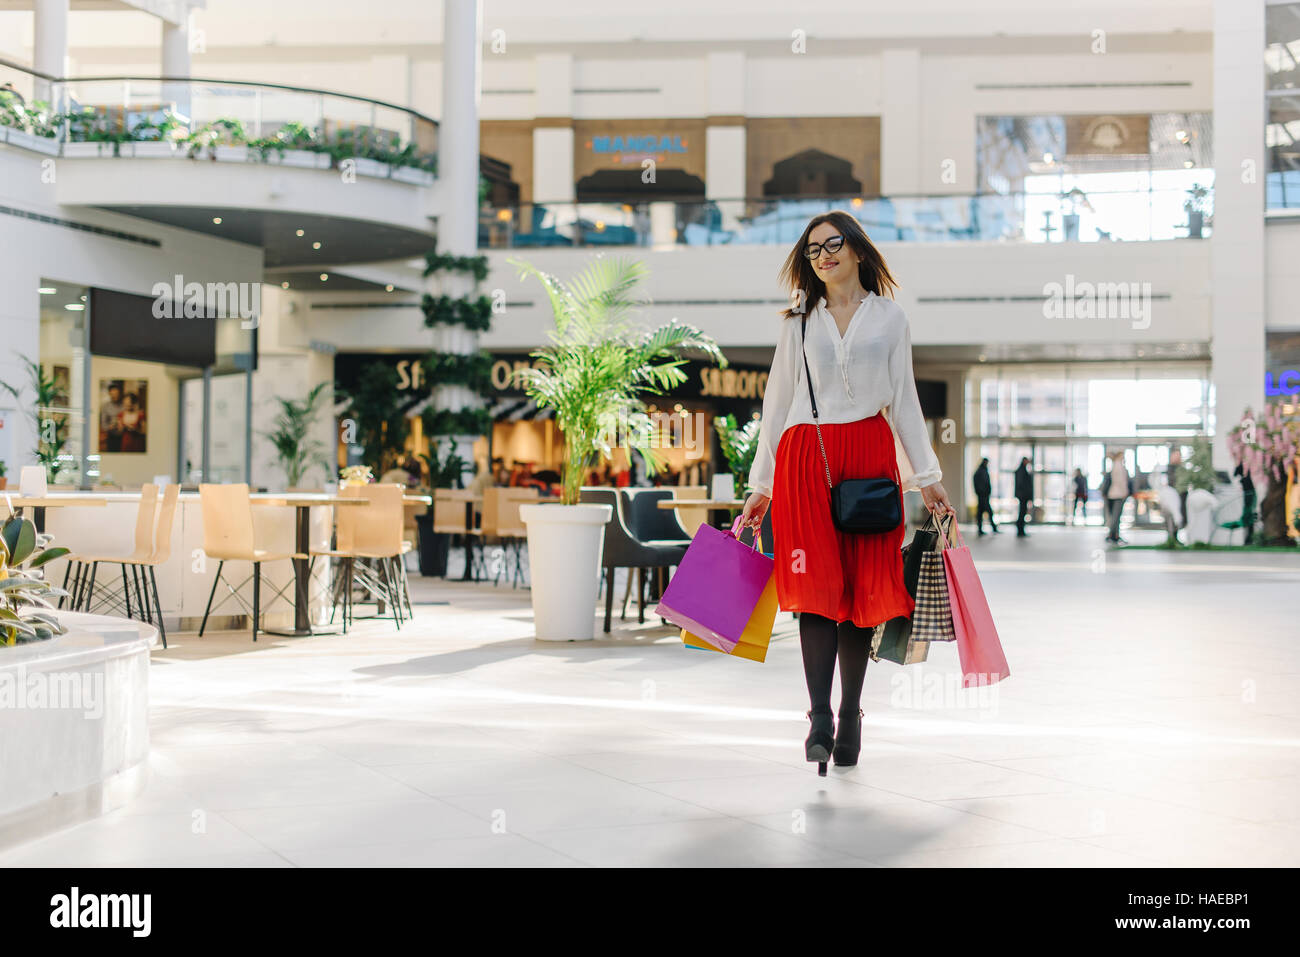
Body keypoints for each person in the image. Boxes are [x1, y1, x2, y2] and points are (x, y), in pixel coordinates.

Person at [739, 210, 953, 774]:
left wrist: (928, 482)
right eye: (813, 250)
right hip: (805, 457)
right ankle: (819, 718)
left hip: (870, 455)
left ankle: (852, 713)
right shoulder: (798, 321)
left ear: (857, 250)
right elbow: (775, 405)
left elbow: (905, 402)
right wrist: (761, 485)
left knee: (862, 592)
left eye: (834, 244)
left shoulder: (889, 318)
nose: (824, 255)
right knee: (815, 590)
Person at [1104, 450, 1131, 544]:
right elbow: (1121, 482)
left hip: (1112, 494)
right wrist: (1125, 492)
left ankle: (1113, 535)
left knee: (1114, 516)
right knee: (1116, 516)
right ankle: (1113, 535)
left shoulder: (1114, 465)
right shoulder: (1119, 466)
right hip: (1118, 495)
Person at [973, 457, 998, 535]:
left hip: (984, 496)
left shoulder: (983, 471)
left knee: (982, 513)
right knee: (986, 512)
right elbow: (978, 483)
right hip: (982, 496)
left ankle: (983, 529)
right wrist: (981, 492)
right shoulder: (980, 471)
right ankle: (990, 528)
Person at [99, 381, 126, 453]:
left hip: (124, 436)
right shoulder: (106, 406)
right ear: (109, 394)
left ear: (120, 393)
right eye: (112, 394)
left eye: (116, 394)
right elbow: (103, 424)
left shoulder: (124, 405)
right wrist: (110, 426)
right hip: (111, 436)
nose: (114, 396)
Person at [1233, 461, 1255, 545]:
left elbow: (1235, 474)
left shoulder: (1243, 463)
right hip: (1249, 496)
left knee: (1248, 517)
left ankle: (1249, 539)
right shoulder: (1246, 465)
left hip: (1248, 497)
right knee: (1249, 517)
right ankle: (1248, 539)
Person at [1014, 456, 1033, 537]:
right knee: (1022, 513)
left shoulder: (1023, 470)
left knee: (1022, 512)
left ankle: (1021, 530)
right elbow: (1022, 485)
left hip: (1023, 496)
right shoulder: (1021, 471)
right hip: (1023, 496)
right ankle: (1020, 530)